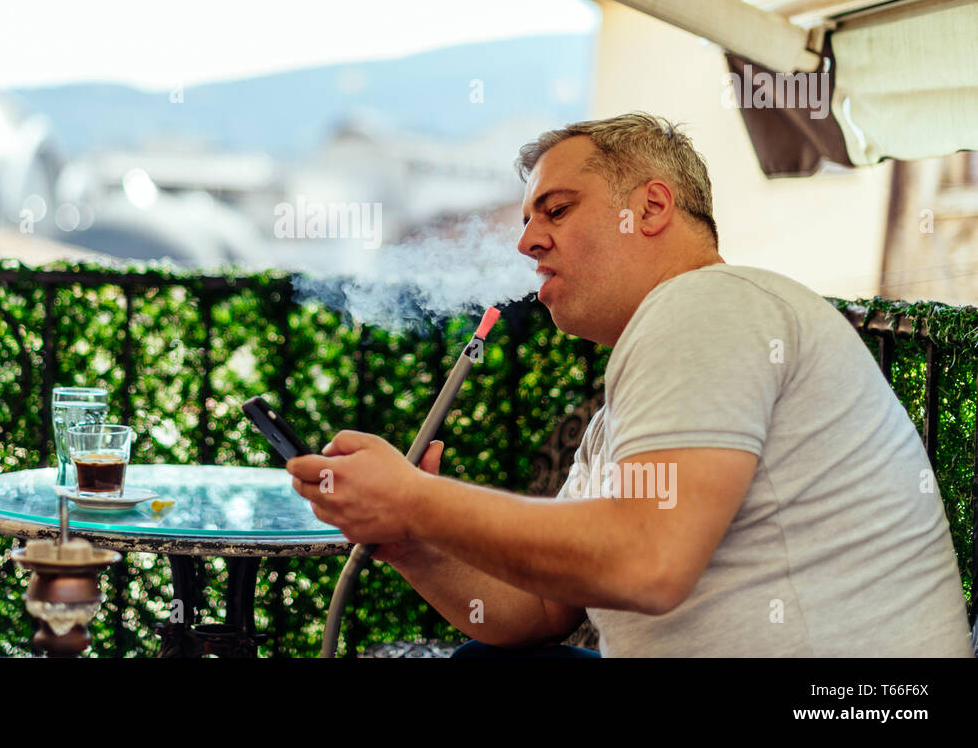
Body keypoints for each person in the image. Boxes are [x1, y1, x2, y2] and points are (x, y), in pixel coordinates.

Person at [286, 113, 974, 657]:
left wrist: (419, 497)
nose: (526, 240)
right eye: (527, 218)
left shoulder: (711, 304)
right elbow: (542, 611)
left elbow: (648, 560)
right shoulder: (629, 402)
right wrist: (411, 537)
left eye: (555, 210)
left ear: (650, 208)